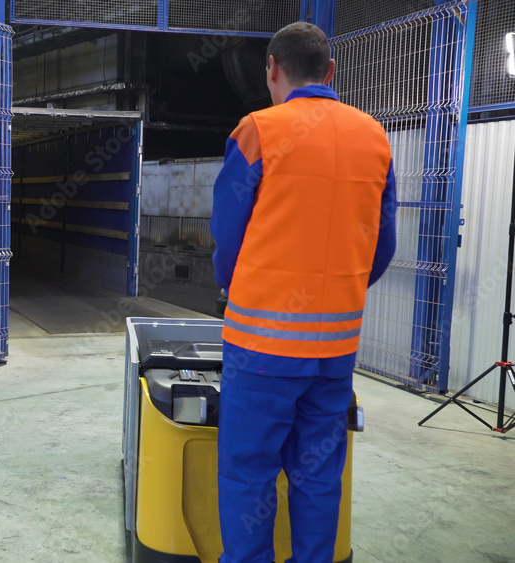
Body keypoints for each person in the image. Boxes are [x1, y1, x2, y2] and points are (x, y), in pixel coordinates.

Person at [210, 22, 397, 563]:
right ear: (331, 72)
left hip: (262, 347)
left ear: (273, 68)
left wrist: (238, 288)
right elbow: (382, 245)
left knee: (249, 471)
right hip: (336, 348)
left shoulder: (258, 131)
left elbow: (228, 236)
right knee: (318, 472)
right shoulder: (375, 138)